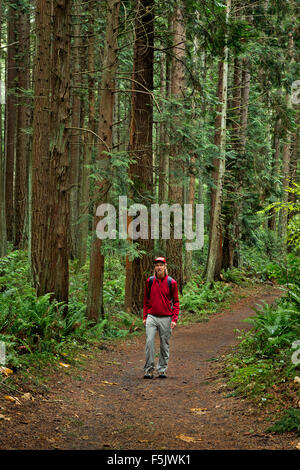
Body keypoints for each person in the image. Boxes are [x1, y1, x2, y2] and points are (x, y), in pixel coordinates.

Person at [143, 257, 180, 379]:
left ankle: (162, 369)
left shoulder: (172, 282)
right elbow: (146, 300)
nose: (159, 267)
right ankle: (148, 370)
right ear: (155, 267)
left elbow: (176, 302)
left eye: (161, 265)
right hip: (152, 316)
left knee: (164, 344)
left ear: (165, 267)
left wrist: (174, 319)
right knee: (149, 342)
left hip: (166, 318)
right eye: (157, 265)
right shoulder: (150, 281)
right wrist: (145, 316)